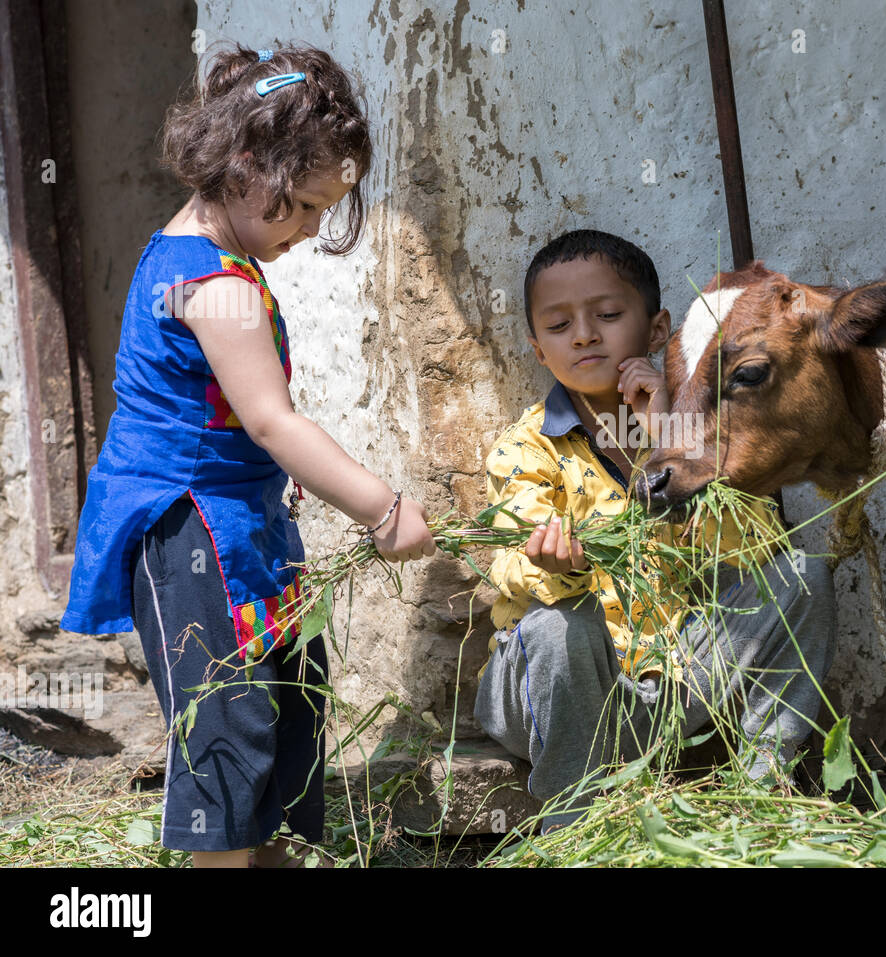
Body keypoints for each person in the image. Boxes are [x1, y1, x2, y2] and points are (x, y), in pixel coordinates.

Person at [59, 44, 438, 868]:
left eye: (320, 212)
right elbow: (270, 421)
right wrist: (383, 507)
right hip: (194, 537)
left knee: (280, 711)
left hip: (245, 529)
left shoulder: (208, 260)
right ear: (241, 167)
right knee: (227, 731)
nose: (305, 231)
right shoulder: (215, 284)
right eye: (300, 206)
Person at [473, 229, 839, 831]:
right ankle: (574, 824)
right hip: (557, 694)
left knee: (801, 575)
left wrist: (668, 440)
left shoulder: (697, 438)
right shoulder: (525, 447)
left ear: (657, 329)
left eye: (609, 315)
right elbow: (512, 562)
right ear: (540, 352)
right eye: (559, 326)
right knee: (556, 629)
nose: (585, 335)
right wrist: (557, 566)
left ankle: (762, 795)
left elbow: (751, 554)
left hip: (672, 687)